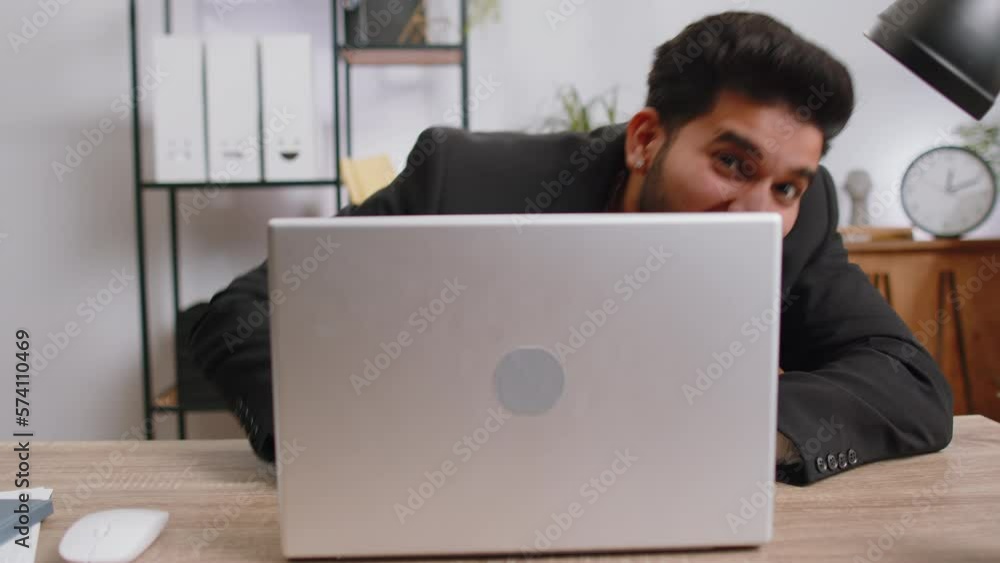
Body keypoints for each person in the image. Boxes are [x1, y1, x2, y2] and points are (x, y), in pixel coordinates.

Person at [190, 11, 953, 485]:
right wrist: (337, 432)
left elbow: (908, 380)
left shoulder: (802, 215)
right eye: (732, 163)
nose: (759, 210)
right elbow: (241, 314)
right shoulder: (466, 178)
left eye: (786, 184)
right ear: (647, 139)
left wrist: (738, 422)